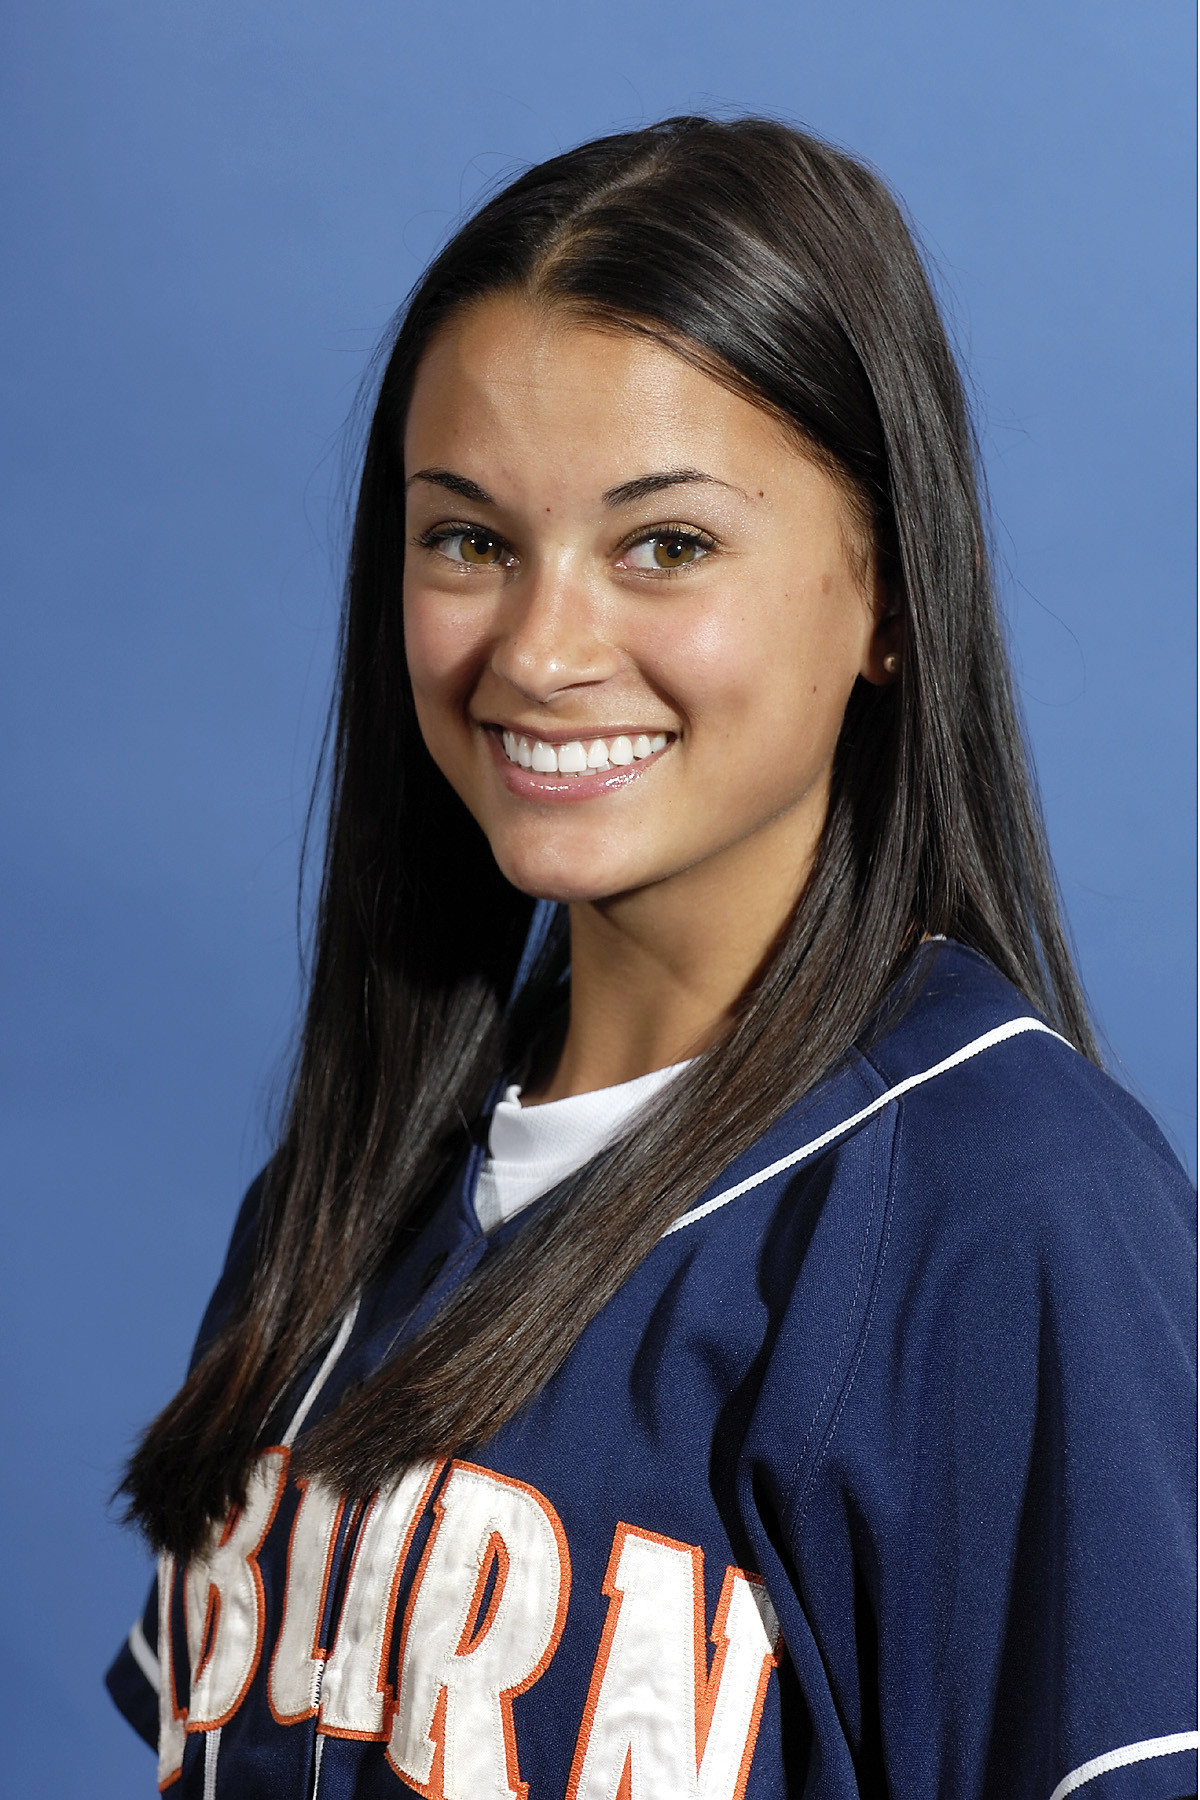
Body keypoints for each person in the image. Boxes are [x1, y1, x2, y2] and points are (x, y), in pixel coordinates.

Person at [105, 116, 1195, 1800]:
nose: (540, 650)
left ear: (891, 596)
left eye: (664, 545)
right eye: (468, 539)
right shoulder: (353, 1190)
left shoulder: (1010, 1207)